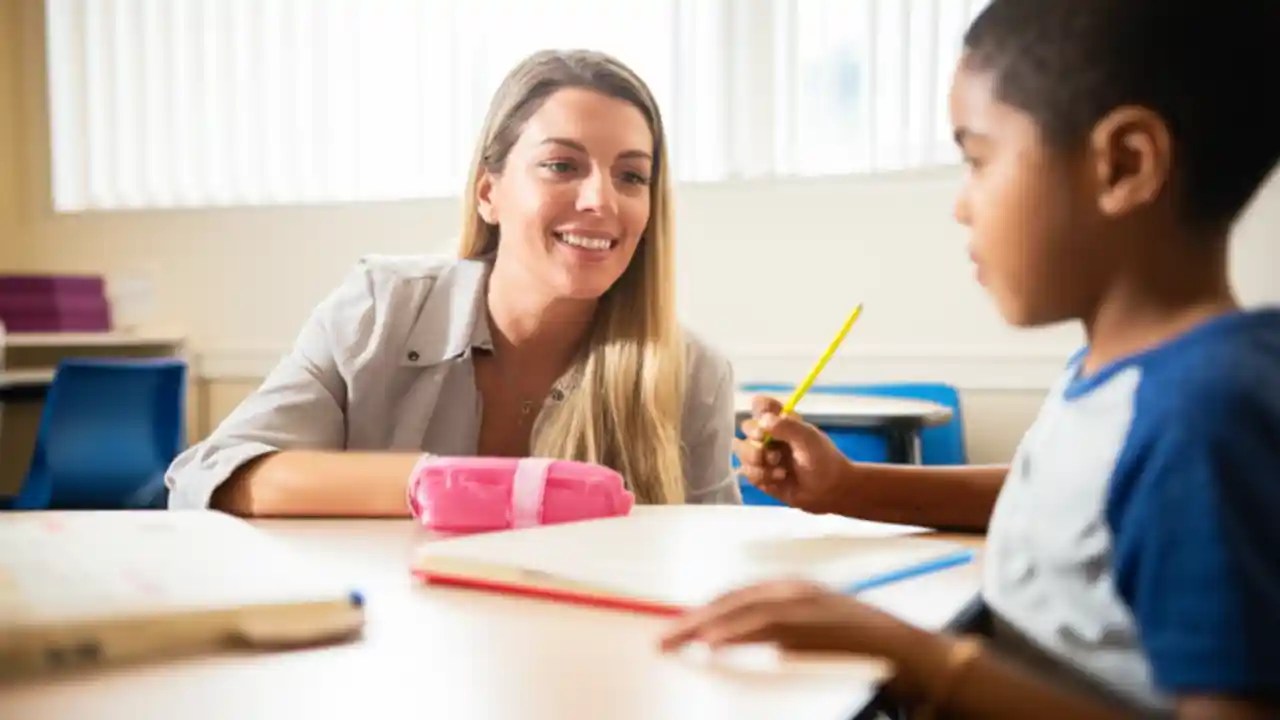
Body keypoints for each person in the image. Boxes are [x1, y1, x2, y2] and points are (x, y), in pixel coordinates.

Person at [661, 1, 1280, 717]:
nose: (961, 205)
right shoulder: (1127, 374)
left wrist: (924, 658)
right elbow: (1057, 507)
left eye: (977, 159)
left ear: (1125, 164)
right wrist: (849, 486)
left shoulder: (1205, 414)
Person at [166, 50, 742, 515]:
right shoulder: (379, 310)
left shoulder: (692, 374)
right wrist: (446, 485)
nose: (600, 200)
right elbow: (214, 476)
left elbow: (711, 576)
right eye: (561, 166)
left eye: (631, 176)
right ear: (488, 193)